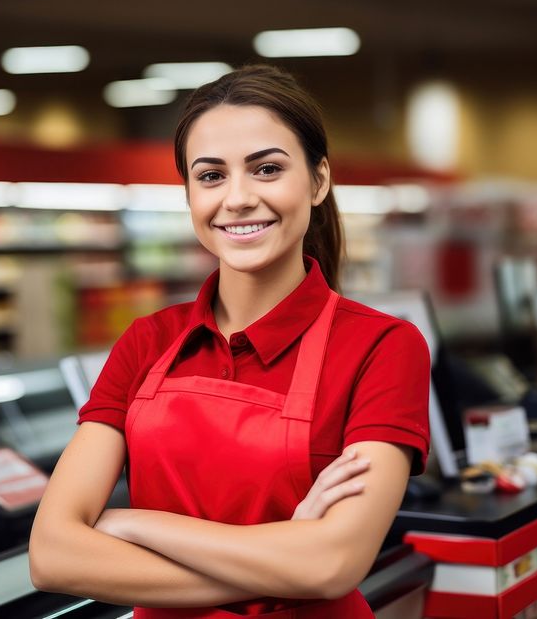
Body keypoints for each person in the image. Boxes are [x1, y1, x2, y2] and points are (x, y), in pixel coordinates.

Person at [29, 64, 431, 618]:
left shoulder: (383, 347)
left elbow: (332, 565)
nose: (237, 198)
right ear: (190, 193)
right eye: (211, 176)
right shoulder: (148, 342)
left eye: (266, 169)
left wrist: (135, 523)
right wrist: (284, 558)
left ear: (318, 180)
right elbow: (53, 556)